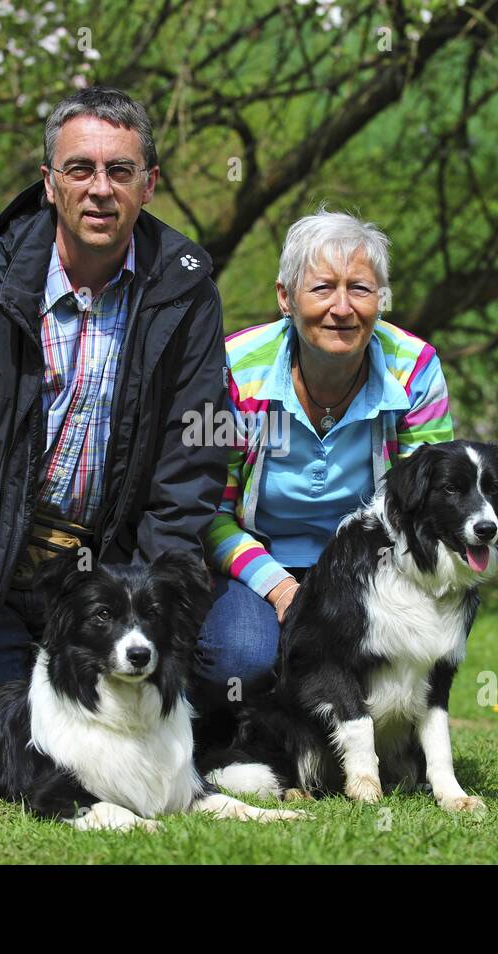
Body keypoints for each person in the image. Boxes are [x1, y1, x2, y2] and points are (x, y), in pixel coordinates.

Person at [0, 87, 228, 755]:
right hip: (2, 577)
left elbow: (188, 476)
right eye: (80, 169)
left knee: (231, 667)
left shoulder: (186, 296)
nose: (100, 190)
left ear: (149, 184)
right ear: (49, 183)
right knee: (0, 744)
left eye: (120, 171)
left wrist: (148, 622)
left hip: (115, 579)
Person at [196, 209, 455, 721]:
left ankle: (392, 734)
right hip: (258, 559)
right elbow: (210, 513)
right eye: (321, 289)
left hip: (374, 561)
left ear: (382, 299)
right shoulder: (235, 367)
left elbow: (431, 507)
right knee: (243, 658)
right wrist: (283, 589)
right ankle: (233, 739)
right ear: (285, 298)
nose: (342, 308)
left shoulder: (417, 369)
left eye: (360, 289)